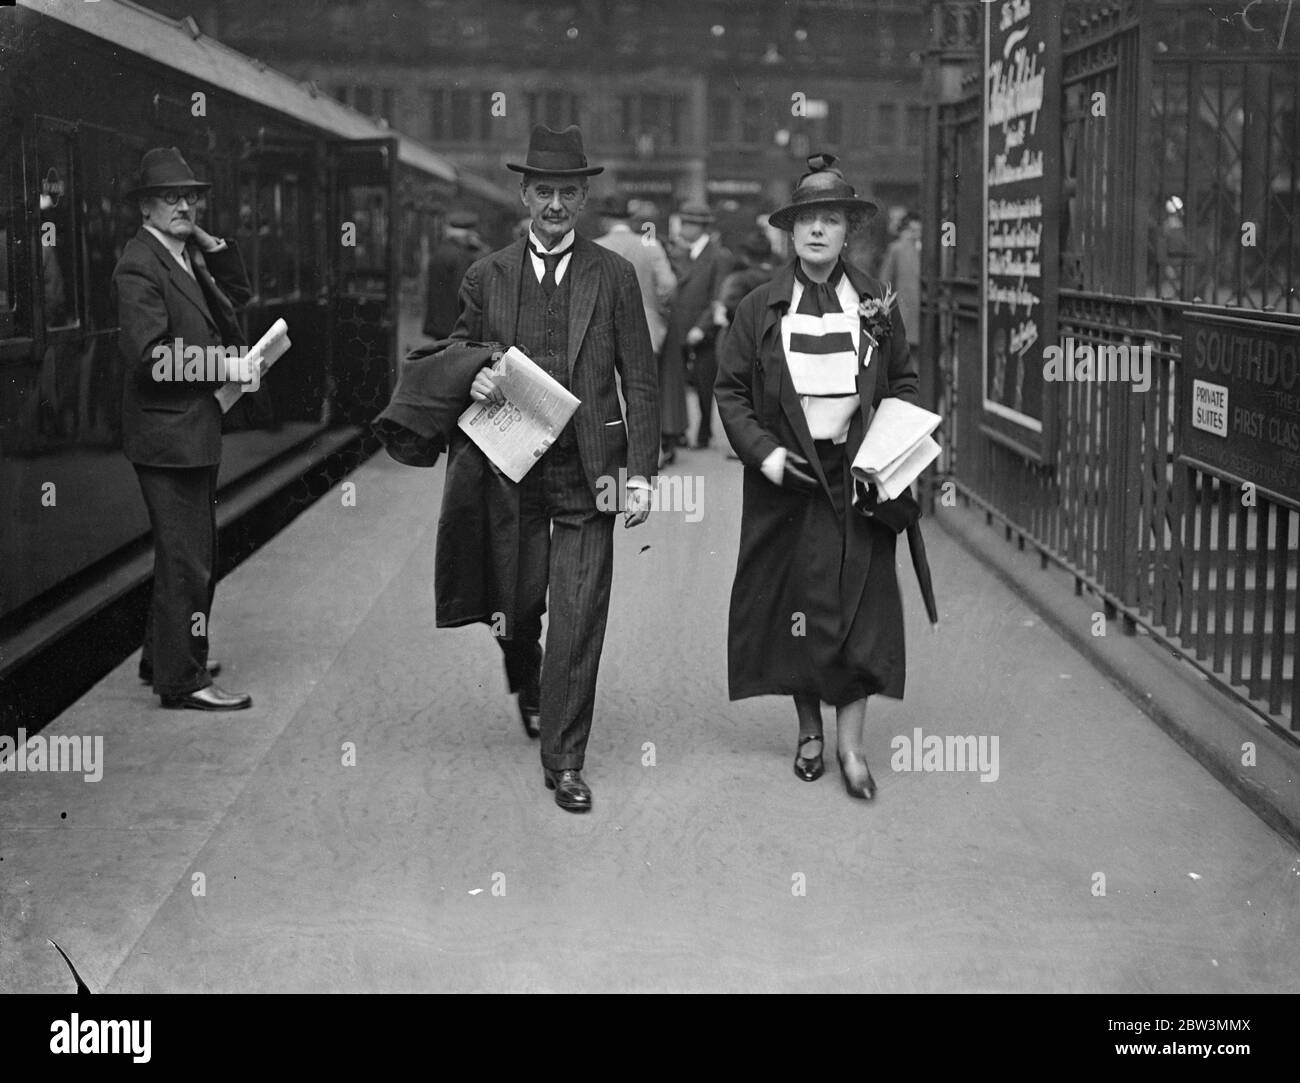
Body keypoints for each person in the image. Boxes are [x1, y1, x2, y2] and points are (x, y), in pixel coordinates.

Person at [440, 124, 659, 812]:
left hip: (590, 472)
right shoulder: (488, 274)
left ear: (585, 197)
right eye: (545, 191)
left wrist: (644, 472)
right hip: (510, 468)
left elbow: (643, 380)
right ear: (524, 194)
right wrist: (471, 376)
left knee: (578, 612)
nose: (556, 204)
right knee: (519, 602)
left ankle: (565, 759)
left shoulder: (615, 276)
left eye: (569, 191)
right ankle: (529, 682)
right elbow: (458, 349)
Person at [715, 153, 921, 799]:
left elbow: (905, 383)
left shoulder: (875, 305)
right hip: (789, 478)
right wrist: (767, 456)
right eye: (807, 219)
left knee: (860, 606)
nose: (817, 232)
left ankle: (850, 746)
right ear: (790, 230)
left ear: (847, 231)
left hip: (857, 479)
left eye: (830, 219)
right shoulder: (760, 307)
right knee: (798, 608)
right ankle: (809, 730)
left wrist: (886, 453)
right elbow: (730, 392)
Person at [113, 147, 253, 711]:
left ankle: (163, 656)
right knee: (188, 560)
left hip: (188, 430)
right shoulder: (140, 263)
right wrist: (226, 366)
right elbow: (150, 356)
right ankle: (183, 680)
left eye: (191, 195)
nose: (184, 204)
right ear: (145, 205)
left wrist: (212, 248)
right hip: (167, 437)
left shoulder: (181, 254)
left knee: (186, 553)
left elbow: (234, 303)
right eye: (170, 196)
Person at [660, 201, 731, 458]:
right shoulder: (676, 252)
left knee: (704, 383)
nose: (683, 228)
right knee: (675, 383)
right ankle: (678, 430)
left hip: (703, 331)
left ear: (702, 227)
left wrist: (702, 328)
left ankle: (704, 430)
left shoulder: (719, 255)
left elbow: (718, 297)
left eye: (689, 224)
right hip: (676, 327)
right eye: (683, 222)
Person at [593, 195, 676, 356]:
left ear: (605, 220)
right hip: (647, 330)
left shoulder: (596, 247)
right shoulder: (651, 245)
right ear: (629, 220)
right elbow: (668, 285)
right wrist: (658, 309)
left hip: (605, 334)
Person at [423, 209, 483, 340]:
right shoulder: (461, 257)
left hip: (439, 323)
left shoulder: (440, 251)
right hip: (455, 326)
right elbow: (463, 293)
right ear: (467, 235)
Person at [879, 210, 921, 352]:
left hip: (924, 313)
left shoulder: (933, 249)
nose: (915, 233)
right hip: (905, 310)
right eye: (912, 230)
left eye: (919, 230)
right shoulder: (897, 249)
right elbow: (885, 281)